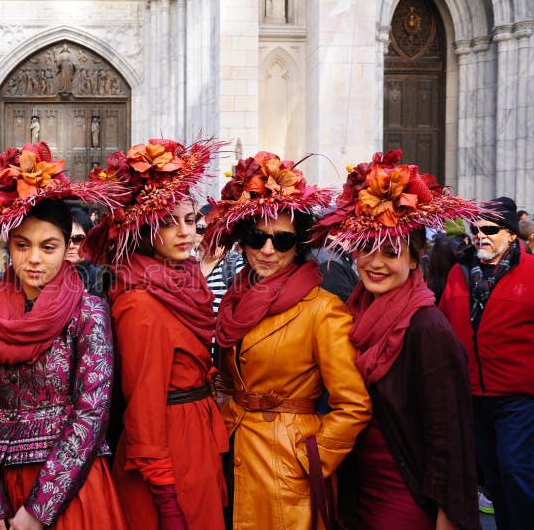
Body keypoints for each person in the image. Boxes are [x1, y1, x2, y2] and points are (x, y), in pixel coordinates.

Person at [200, 151, 371, 529]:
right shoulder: (234, 300)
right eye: (257, 237)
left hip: (288, 466)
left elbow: (353, 404)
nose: (267, 250)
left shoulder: (322, 309)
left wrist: (310, 458)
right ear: (242, 241)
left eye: (282, 241)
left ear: (298, 246)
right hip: (232, 453)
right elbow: (230, 378)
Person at [0, 141, 125, 529]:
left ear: (67, 247)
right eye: (22, 245)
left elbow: (92, 412)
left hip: (71, 494)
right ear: (9, 247)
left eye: (48, 247)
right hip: (1, 488)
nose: (34, 259)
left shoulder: (88, 312)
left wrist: (38, 509)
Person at [317, 151, 481, 530]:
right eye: (366, 249)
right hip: (355, 492)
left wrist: (448, 520)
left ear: (414, 259)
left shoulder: (428, 328)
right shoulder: (350, 313)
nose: (375, 263)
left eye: (391, 252)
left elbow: (450, 440)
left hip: (405, 497)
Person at [84, 138, 229, 530]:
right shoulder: (140, 303)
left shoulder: (185, 280)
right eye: (168, 222)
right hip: (169, 454)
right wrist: (166, 499)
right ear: (145, 230)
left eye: (190, 220)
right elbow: (144, 409)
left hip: (195, 437)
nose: (185, 232)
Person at [439, 196, 534, 530]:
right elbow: (444, 325)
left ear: (510, 233)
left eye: (490, 229)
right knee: (492, 476)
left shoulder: (531, 271)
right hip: (473, 395)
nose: (480, 235)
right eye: (476, 229)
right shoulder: (458, 271)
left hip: (518, 397)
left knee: (515, 470)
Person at [66, 206, 104, 297]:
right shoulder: (50, 273)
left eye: (78, 239)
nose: (71, 246)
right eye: (66, 239)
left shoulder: (98, 275)